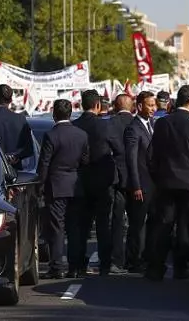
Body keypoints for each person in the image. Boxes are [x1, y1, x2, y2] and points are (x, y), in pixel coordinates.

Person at [146, 85, 189, 281]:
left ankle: (156, 268)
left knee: (164, 225)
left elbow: (151, 155)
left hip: (166, 182)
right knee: (187, 226)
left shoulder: (162, 124)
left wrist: (158, 177)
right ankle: (182, 268)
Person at [37, 99, 89, 279]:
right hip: (75, 185)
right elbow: (85, 161)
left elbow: (44, 164)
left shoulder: (51, 135)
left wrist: (40, 186)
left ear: (54, 114)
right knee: (74, 228)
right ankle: (74, 267)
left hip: (56, 186)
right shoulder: (81, 135)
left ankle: (57, 266)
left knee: (56, 228)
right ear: (70, 113)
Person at [74, 89, 125, 276]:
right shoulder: (105, 126)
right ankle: (105, 263)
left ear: (81, 105)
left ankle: (78, 263)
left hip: (81, 181)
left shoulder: (74, 125)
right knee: (104, 224)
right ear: (97, 106)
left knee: (82, 224)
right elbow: (119, 150)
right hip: (104, 181)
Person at [124, 91, 157, 273]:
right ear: (139, 106)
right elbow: (132, 159)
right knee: (137, 225)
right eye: (149, 105)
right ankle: (133, 260)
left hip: (153, 185)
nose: (153, 108)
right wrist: (136, 185)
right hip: (140, 185)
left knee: (152, 223)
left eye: (154, 105)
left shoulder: (151, 125)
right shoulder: (133, 128)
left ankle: (147, 257)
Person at [106, 94, 134, 272]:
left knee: (117, 221)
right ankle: (135, 259)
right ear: (132, 107)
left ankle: (117, 259)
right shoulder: (139, 123)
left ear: (115, 106)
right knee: (138, 222)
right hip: (138, 178)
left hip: (117, 179)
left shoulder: (109, 124)